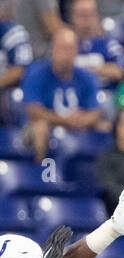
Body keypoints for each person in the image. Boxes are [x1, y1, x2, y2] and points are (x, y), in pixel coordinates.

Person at [21, 27, 103, 162]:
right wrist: (65, 120)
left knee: (106, 128)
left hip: (77, 126)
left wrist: (81, 120)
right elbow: (34, 112)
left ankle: (95, 173)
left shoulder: (87, 77)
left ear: (76, 51)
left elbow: (95, 112)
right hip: (44, 125)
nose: (66, 54)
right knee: (40, 127)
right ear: (53, 49)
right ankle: (40, 173)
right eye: (62, 48)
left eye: (70, 49)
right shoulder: (36, 72)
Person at [70, 0, 124, 85]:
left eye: (89, 14)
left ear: (96, 16)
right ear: (73, 17)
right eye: (82, 14)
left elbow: (121, 71)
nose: (86, 19)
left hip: (105, 93)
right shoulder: (64, 44)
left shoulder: (109, 44)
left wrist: (91, 69)